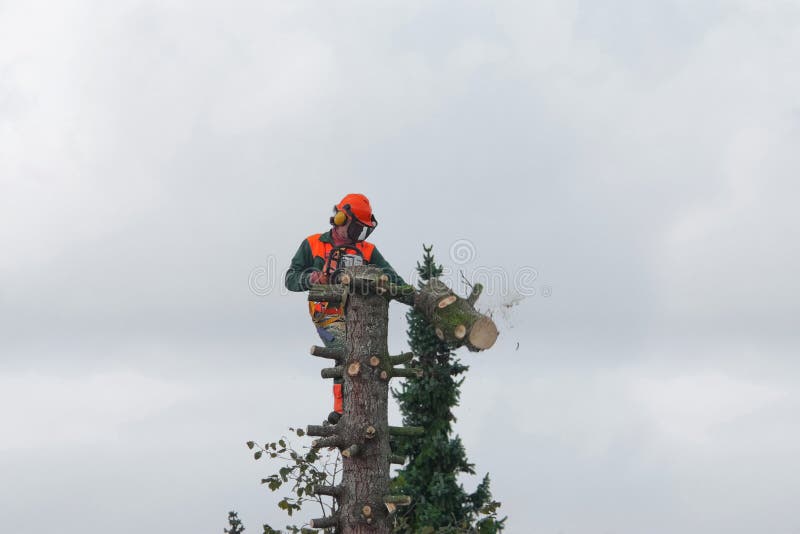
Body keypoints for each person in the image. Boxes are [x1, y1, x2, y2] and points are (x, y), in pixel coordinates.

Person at [285, 193, 406, 423]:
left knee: (371, 356)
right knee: (346, 350)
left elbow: (393, 279)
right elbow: (290, 279)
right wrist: (311, 278)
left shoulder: (367, 250)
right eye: (356, 229)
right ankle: (342, 411)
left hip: (360, 314)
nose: (359, 236)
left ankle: (366, 409)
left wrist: (413, 295)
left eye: (363, 231)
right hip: (327, 313)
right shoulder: (313, 243)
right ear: (341, 219)